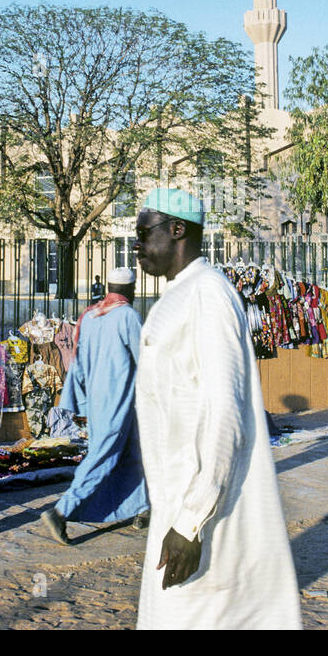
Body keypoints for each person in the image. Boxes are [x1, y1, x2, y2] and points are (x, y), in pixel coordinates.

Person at [131, 188, 301, 629]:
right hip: (177, 499)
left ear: (177, 229)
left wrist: (192, 522)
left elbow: (226, 412)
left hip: (207, 513)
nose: (137, 245)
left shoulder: (209, 293)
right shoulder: (180, 294)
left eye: (143, 233)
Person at [41, 267, 149, 545]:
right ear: (130, 290)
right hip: (118, 399)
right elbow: (146, 360)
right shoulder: (127, 315)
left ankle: (142, 507)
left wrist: (77, 399)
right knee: (103, 456)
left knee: (133, 453)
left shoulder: (90, 315)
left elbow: (78, 361)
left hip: (98, 399)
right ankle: (61, 511)